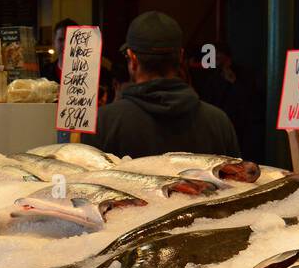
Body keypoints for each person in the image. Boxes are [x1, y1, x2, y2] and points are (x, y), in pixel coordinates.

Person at [86, 11, 239, 160]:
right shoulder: (219, 122)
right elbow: (237, 181)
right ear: (180, 57)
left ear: (133, 60)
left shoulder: (103, 122)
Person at [42, 17, 77, 81]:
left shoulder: (90, 72)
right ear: (54, 42)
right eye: (61, 40)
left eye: (70, 40)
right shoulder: (44, 72)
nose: (65, 44)